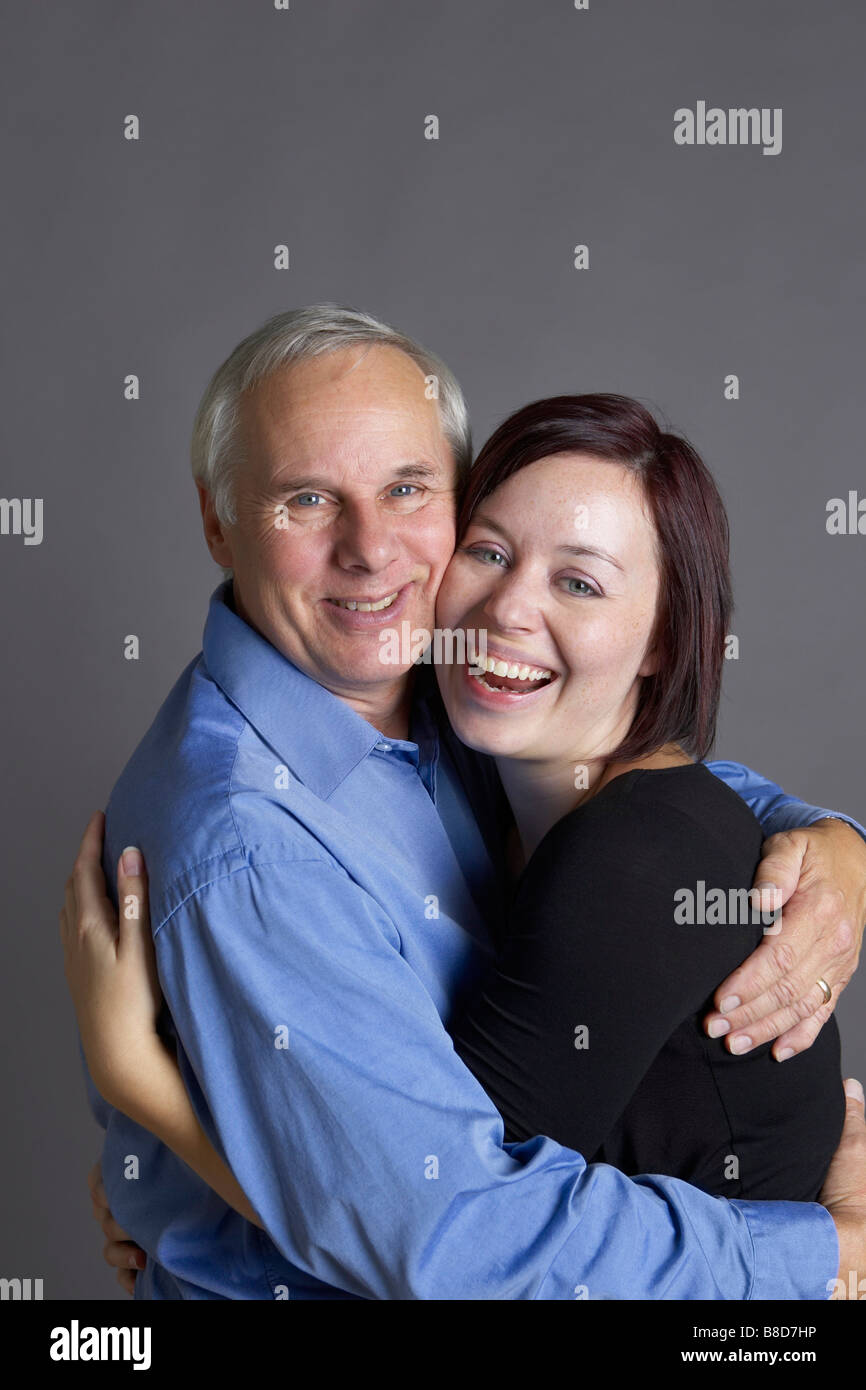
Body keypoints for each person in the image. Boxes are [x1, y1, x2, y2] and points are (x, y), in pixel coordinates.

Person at [60, 306, 866, 1300]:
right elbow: (443, 1237)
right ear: (217, 518)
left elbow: (618, 789)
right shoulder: (252, 849)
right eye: (307, 499)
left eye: (406, 488)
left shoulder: (443, 695)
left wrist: (829, 841)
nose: (370, 548)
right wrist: (821, 1257)